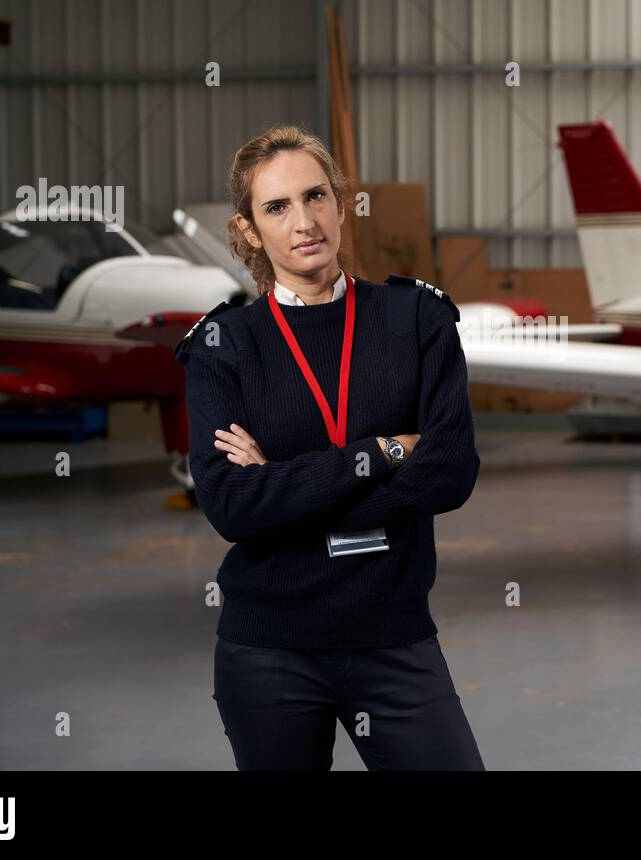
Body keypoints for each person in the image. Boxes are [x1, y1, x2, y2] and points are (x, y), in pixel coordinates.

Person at [174, 124, 484, 770]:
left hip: (392, 636)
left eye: (316, 196)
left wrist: (284, 490)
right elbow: (231, 507)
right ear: (251, 231)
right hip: (268, 653)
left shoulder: (416, 320)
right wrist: (380, 453)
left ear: (343, 205)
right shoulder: (222, 346)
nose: (304, 220)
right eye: (277, 207)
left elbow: (450, 473)